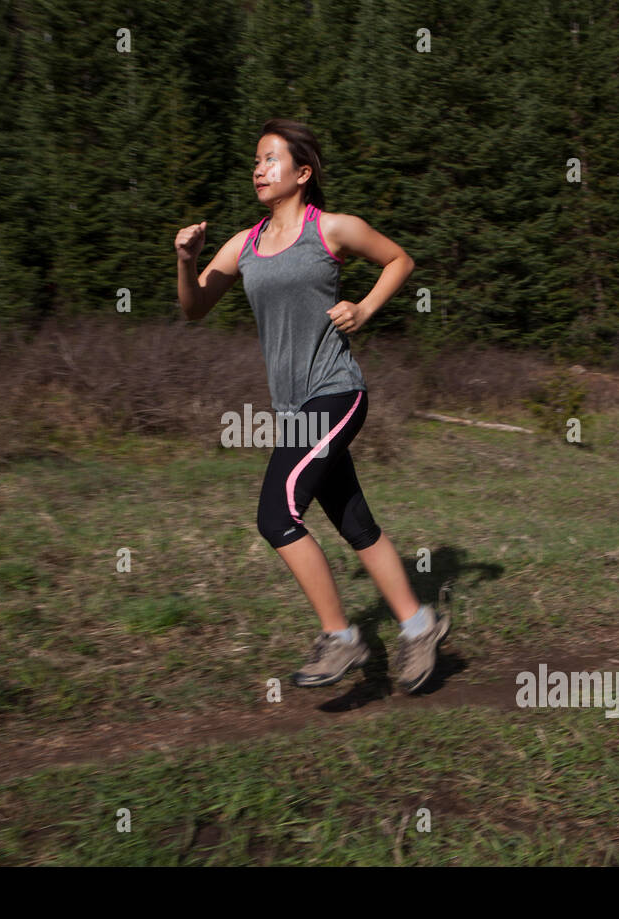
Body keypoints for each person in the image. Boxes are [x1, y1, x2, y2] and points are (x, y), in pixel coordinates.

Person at [174, 118, 449, 694]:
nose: (259, 169)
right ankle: (419, 625)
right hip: (293, 408)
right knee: (355, 523)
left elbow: (399, 260)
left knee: (277, 516)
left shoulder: (331, 229)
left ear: (302, 173)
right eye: (256, 160)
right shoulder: (244, 245)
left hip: (336, 391)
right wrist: (186, 259)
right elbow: (194, 307)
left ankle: (340, 636)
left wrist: (365, 308)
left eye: (271, 159)